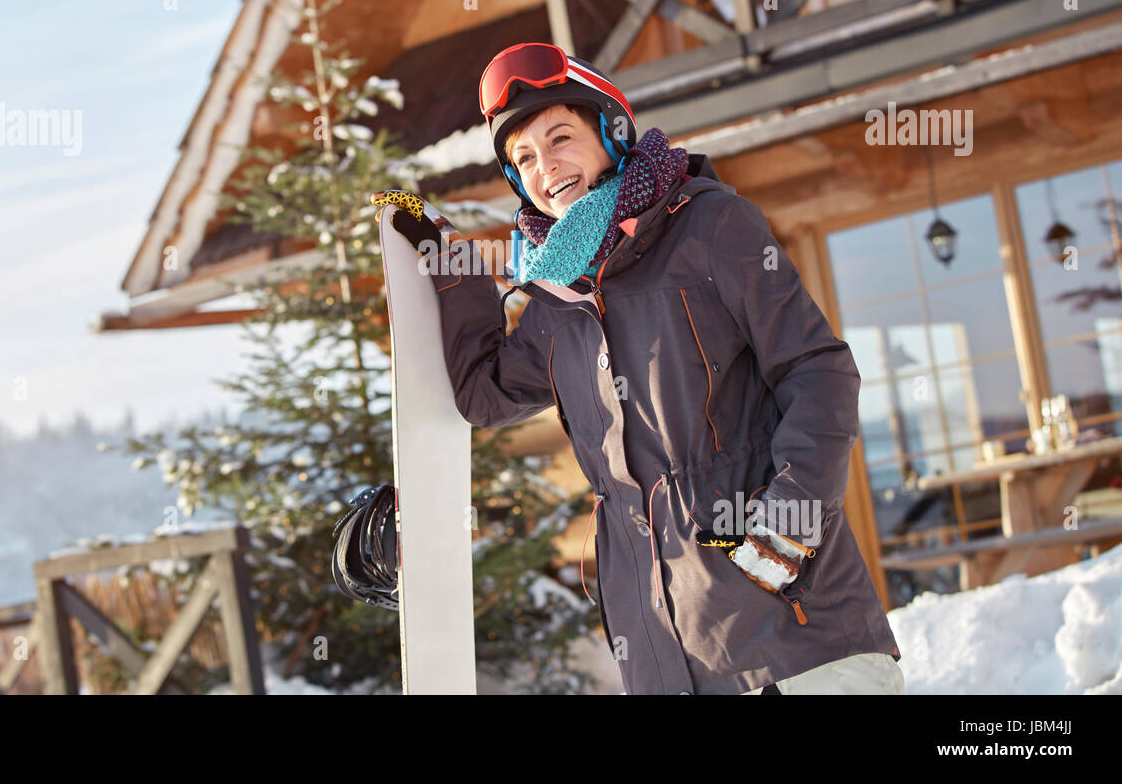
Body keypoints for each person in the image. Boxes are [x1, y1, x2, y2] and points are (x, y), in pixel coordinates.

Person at [379, 42, 903, 695]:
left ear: (610, 131)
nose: (547, 167)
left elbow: (817, 370)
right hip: (664, 662)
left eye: (560, 137)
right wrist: (445, 256)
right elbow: (484, 393)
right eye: (525, 159)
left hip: (797, 644)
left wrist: (788, 522)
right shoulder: (557, 300)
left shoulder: (710, 227)